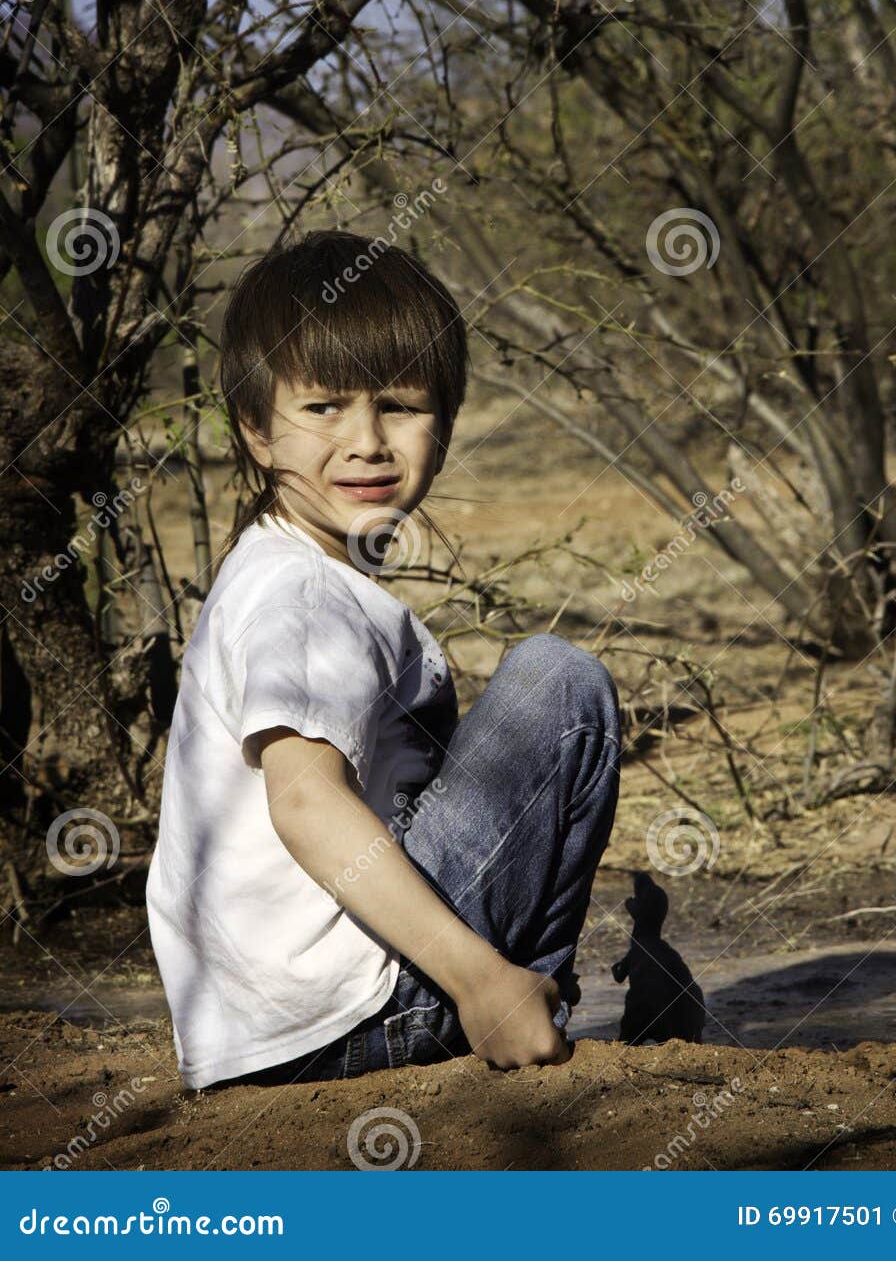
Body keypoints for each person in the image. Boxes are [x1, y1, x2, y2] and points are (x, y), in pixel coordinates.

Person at [145, 228, 621, 1091]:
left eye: (399, 406)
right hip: (348, 1016)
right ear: (256, 430)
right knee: (559, 684)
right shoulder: (298, 594)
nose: (366, 441)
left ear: (444, 424)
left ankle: (523, 1000)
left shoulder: (282, 566)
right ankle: (514, 999)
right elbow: (304, 801)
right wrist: (476, 979)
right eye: (323, 408)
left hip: (264, 1031)